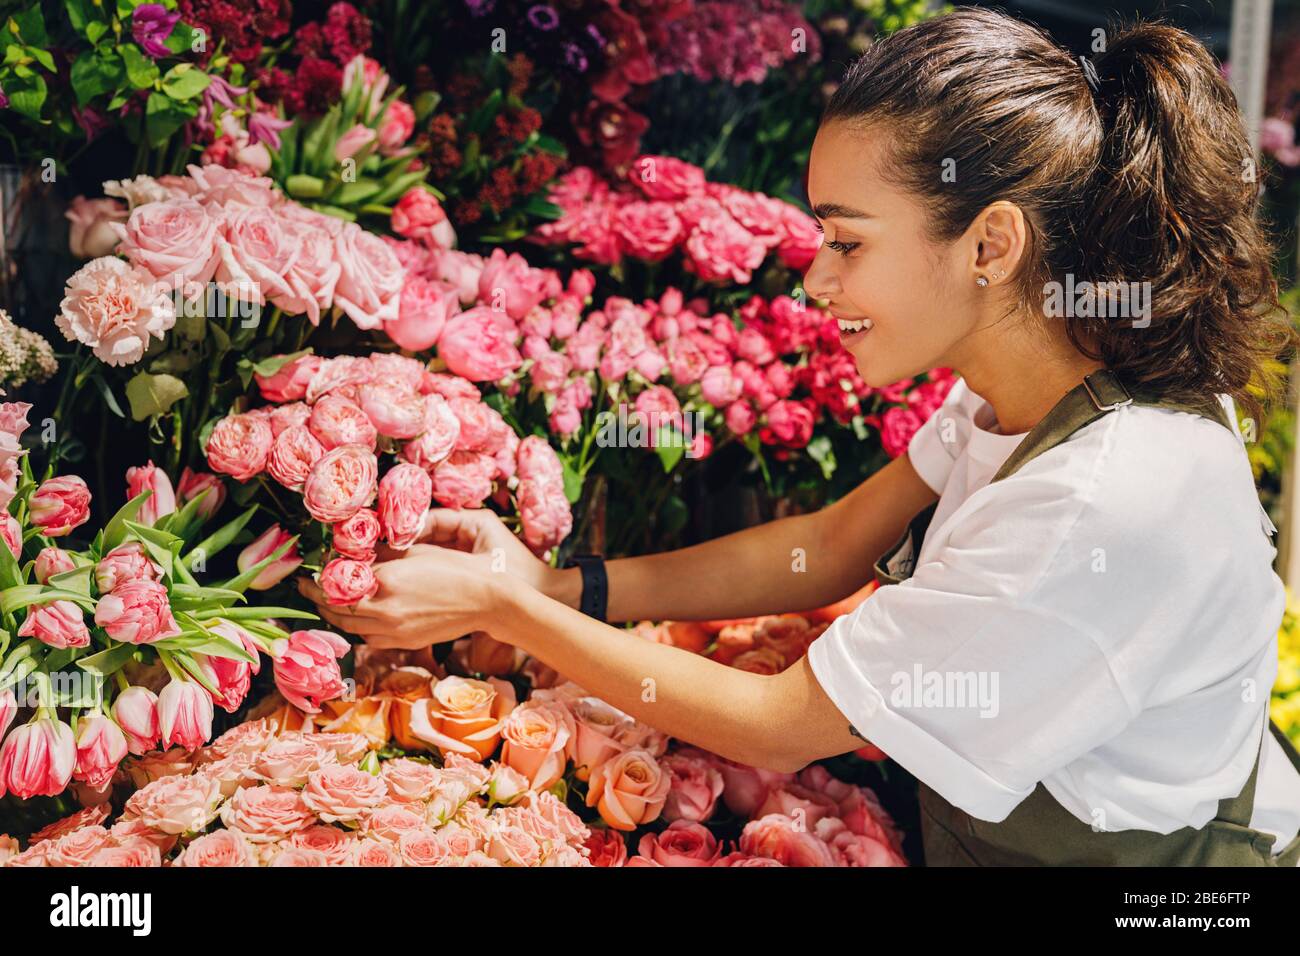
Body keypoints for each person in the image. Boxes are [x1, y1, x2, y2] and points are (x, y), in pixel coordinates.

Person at [301, 8, 1300, 865]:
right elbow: (823, 547)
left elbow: (784, 724)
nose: (815, 280)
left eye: (848, 240)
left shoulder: (1099, 495)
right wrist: (558, 584)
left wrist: (502, 608)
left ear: (990, 245)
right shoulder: (1039, 376)